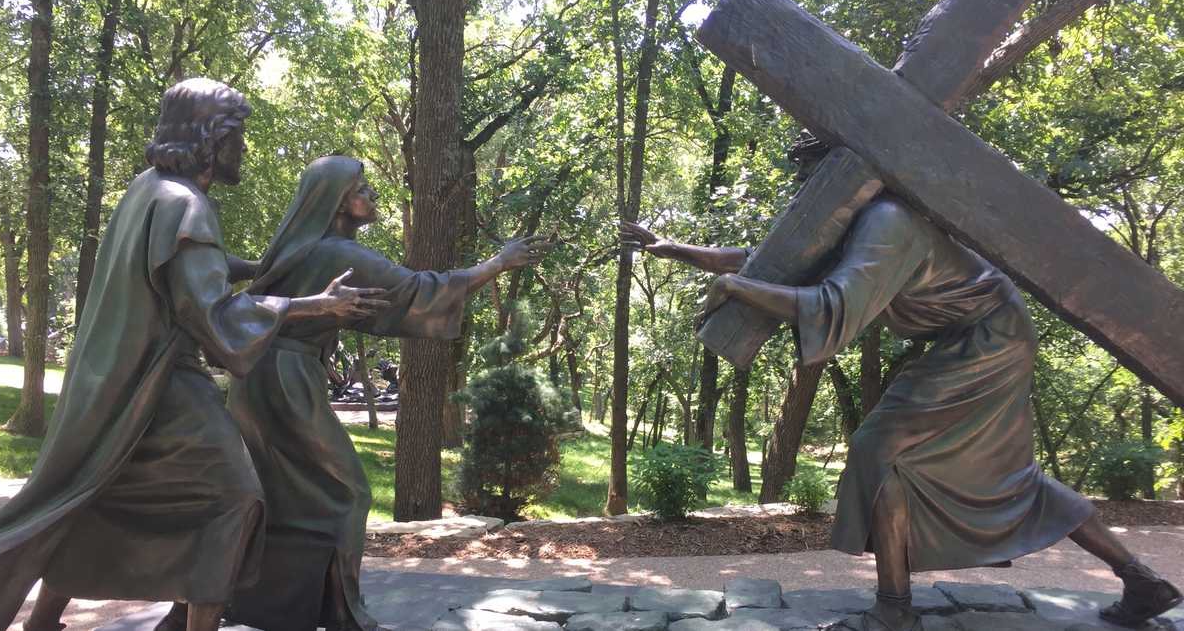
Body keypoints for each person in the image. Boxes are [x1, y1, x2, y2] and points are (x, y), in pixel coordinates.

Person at [622, 199, 1181, 631]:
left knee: (876, 449)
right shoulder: (849, 219)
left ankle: (892, 611)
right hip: (979, 338)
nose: (802, 183)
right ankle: (1141, 578)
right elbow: (767, 262)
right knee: (1002, 474)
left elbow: (831, 304)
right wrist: (672, 248)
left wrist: (733, 289)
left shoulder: (887, 220)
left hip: (988, 341)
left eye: (809, 164)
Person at [0, 79, 390, 631]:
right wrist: (316, 304)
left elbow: (193, 267)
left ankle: (43, 621)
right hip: (163, 385)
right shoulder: (187, 205)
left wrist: (262, 270)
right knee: (236, 499)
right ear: (209, 137)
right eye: (237, 135)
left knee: (101, 492)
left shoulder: (148, 190)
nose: (244, 147)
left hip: (109, 385)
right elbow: (214, 316)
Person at [152, 155, 548, 631]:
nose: (373, 196)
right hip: (287, 379)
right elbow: (423, 289)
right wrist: (498, 262)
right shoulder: (339, 254)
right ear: (339, 202)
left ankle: (204, 608)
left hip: (260, 377)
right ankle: (341, 614)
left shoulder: (303, 248)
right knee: (348, 491)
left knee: (267, 497)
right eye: (364, 189)